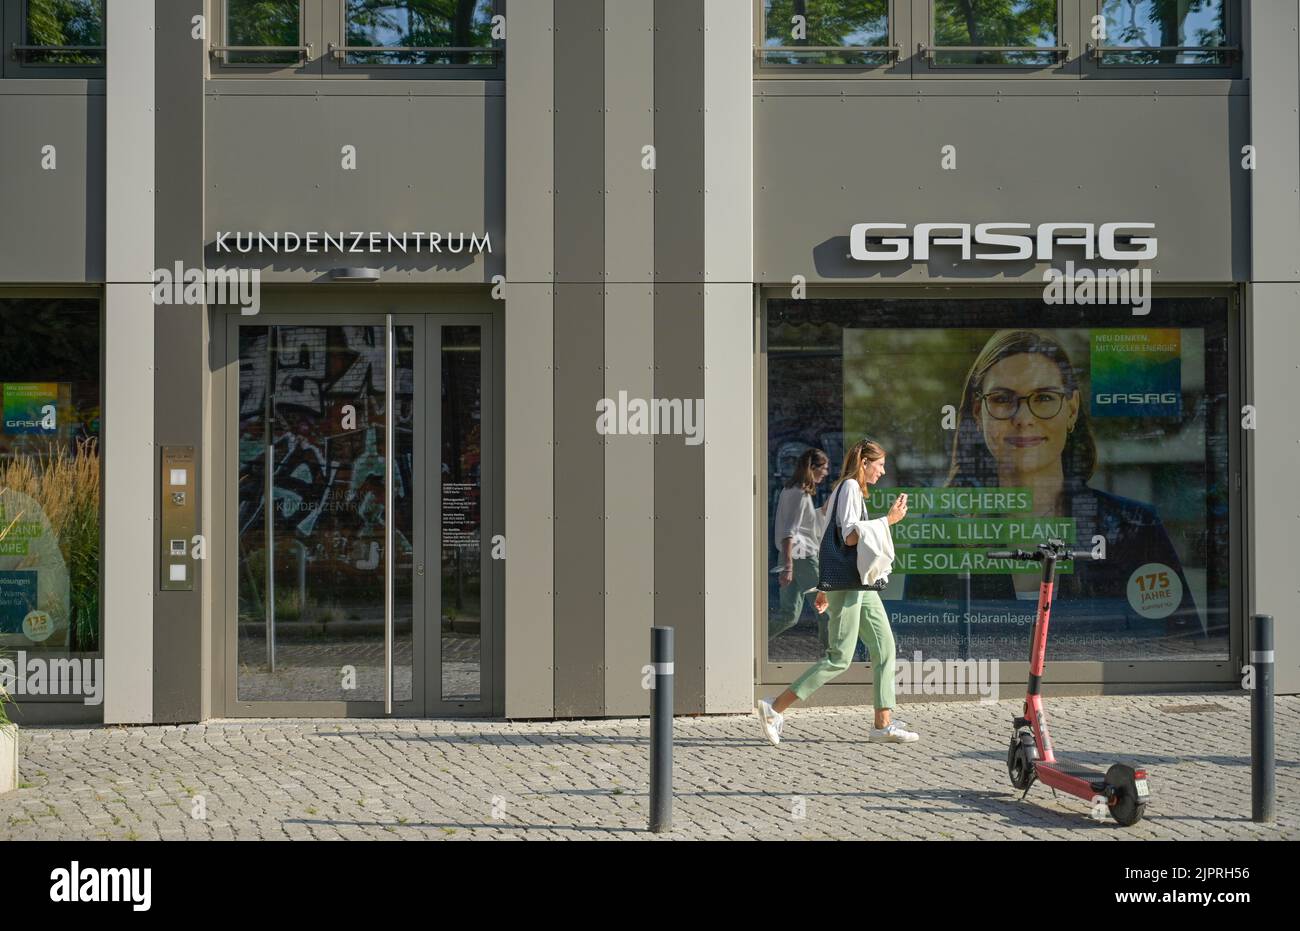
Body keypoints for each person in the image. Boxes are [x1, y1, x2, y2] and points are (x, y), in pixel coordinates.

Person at [906, 329, 1199, 631]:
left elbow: (1181, 645)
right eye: (1002, 399)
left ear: (1071, 410)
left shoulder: (1136, 528)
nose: (1023, 417)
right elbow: (917, 649)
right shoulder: (941, 531)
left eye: (1044, 397)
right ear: (979, 413)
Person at [756, 438, 916, 746]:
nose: (882, 471)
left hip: (857, 583)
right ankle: (774, 707)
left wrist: (825, 587)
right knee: (839, 657)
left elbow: (829, 537)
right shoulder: (850, 488)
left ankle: (882, 725)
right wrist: (888, 521)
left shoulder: (847, 489)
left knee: (885, 648)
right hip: (851, 584)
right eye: (880, 464)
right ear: (865, 463)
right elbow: (850, 537)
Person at [769, 448, 830, 644]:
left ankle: (751, 643)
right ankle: (830, 660)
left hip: (791, 558)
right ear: (812, 468)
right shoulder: (800, 494)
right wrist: (788, 568)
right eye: (824, 468)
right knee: (825, 613)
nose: (826, 472)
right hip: (802, 560)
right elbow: (789, 533)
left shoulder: (790, 490)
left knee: (788, 615)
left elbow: (802, 525)